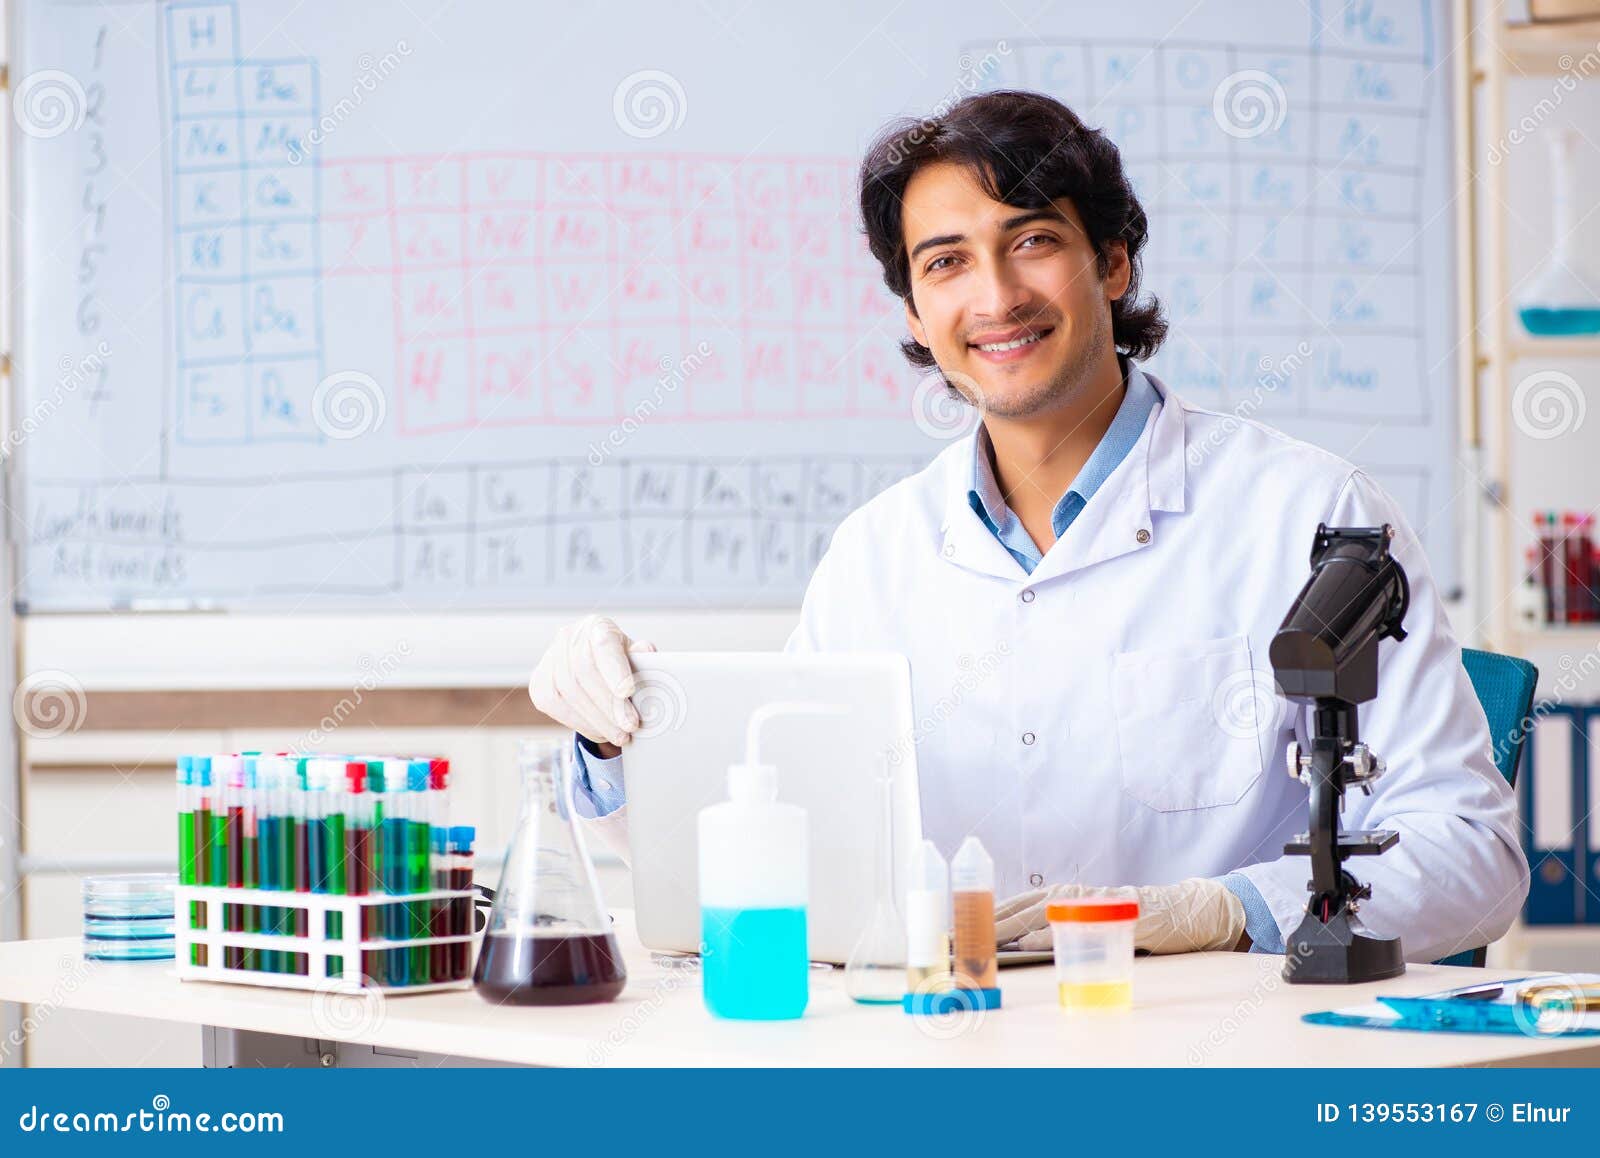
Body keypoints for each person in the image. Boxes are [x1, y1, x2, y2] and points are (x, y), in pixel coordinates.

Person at [529, 90, 1528, 962]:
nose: (997, 297)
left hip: (1223, 1058)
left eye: (1033, 242)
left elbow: (1470, 853)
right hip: (953, 1052)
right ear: (914, 313)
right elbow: (774, 852)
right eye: (946, 263)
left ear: (1113, 263)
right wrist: (615, 738)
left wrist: (1223, 913)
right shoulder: (875, 559)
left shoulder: (1310, 515)